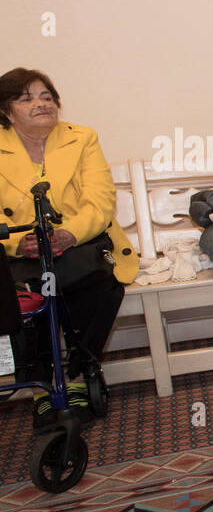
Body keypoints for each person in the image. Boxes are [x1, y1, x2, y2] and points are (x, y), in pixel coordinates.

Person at [0, 67, 139, 425]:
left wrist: (68, 234)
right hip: (21, 250)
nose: (40, 103)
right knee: (24, 295)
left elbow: (100, 200)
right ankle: (41, 386)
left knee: (100, 284)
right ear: (5, 109)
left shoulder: (81, 138)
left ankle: (79, 372)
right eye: (26, 98)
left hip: (81, 241)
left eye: (46, 96)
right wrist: (19, 242)